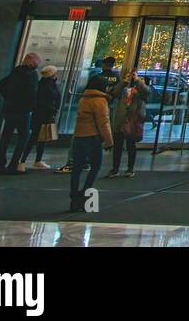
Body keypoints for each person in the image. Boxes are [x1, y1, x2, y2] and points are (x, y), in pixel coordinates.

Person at [68, 75, 113, 213]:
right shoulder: (100, 101)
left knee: (77, 168)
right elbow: (103, 122)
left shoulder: (84, 98)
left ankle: (74, 196)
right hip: (92, 137)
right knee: (95, 167)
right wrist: (109, 141)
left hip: (79, 136)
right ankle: (85, 193)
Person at [0, 52, 41, 175]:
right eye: (37, 62)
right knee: (23, 137)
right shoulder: (32, 74)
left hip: (9, 109)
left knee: (6, 136)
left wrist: (9, 97)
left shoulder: (16, 72)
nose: (38, 64)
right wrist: (31, 106)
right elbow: (32, 93)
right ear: (32, 62)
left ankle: (0, 164)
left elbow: (0, 84)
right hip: (23, 111)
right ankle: (13, 165)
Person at [108, 71, 150, 177]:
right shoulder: (122, 90)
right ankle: (115, 168)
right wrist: (124, 81)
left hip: (133, 121)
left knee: (131, 146)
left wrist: (137, 80)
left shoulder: (140, 93)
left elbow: (146, 91)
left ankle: (130, 168)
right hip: (121, 120)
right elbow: (114, 92)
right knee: (117, 146)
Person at [20, 65, 61, 170]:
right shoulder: (50, 86)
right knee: (40, 138)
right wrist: (53, 110)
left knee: (35, 137)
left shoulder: (40, 84)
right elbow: (53, 99)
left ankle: (23, 160)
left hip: (38, 114)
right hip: (45, 115)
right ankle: (31, 160)